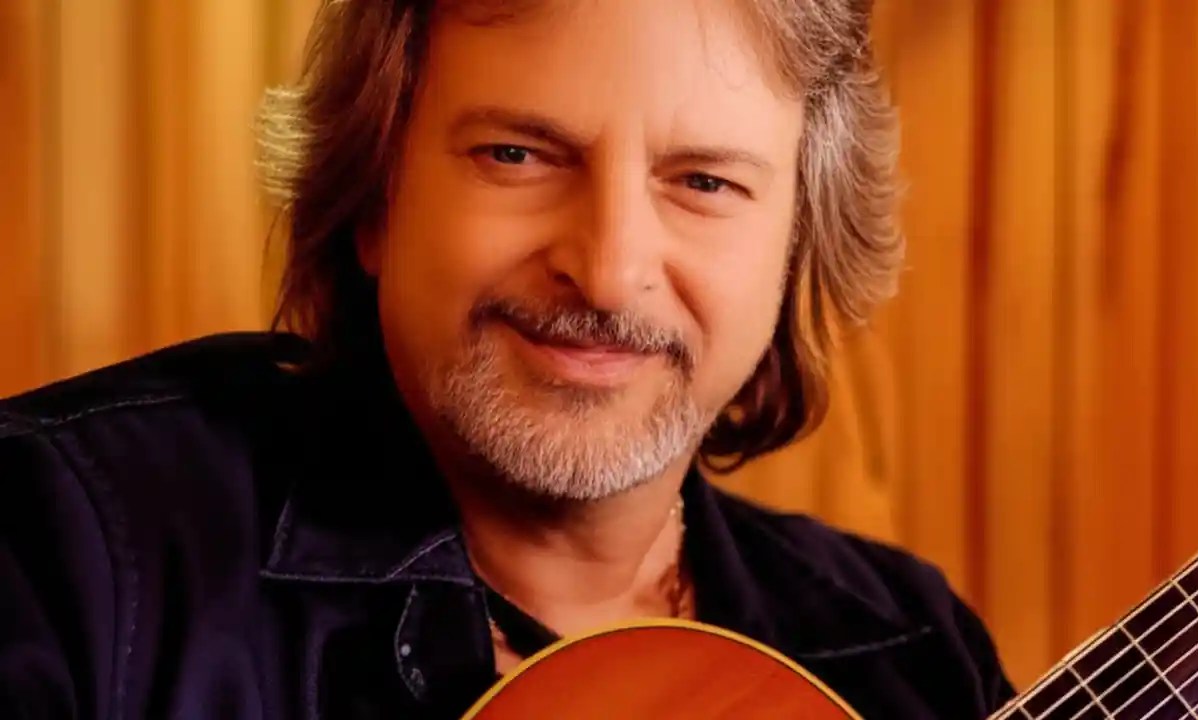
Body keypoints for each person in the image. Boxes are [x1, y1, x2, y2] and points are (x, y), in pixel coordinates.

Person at [0, 0, 1015, 717]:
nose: (609, 271)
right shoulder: (62, 549)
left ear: (796, 245)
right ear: (374, 193)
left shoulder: (906, 656)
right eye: (517, 156)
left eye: (702, 181)